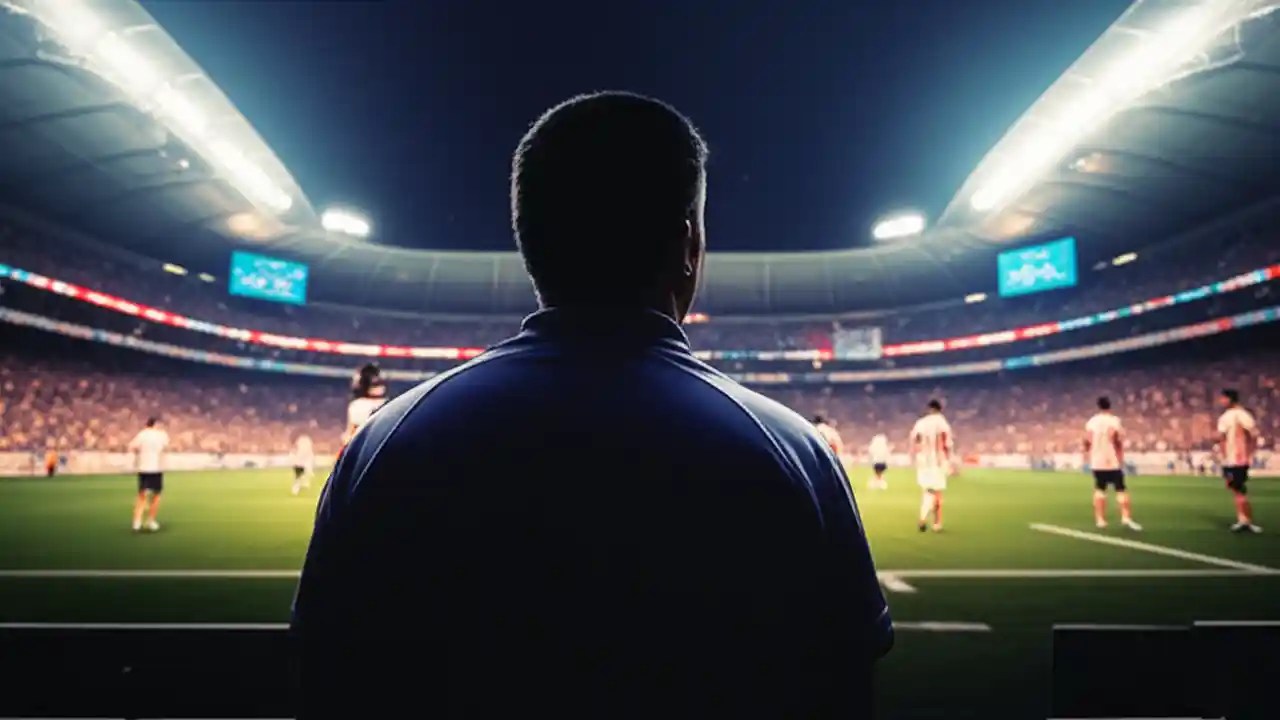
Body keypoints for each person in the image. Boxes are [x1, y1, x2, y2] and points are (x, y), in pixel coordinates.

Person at [293, 92, 892, 719]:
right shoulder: (794, 454)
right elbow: (843, 690)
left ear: (530, 242)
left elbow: (326, 680)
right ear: (689, 244)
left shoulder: (386, 444)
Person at [1083, 397, 1140, 531]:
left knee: (1100, 488)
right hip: (1111, 459)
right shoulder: (1114, 421)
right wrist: (1120, 457)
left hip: (1097, 460)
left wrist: (1088, 454)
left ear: (1098, 406)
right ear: (1110, 406)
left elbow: (1087, 440)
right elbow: (1116, 439)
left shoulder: (1092, 421)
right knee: (1120, 488)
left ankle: (1100, 519)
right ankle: (1125, 517)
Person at [1216, 388, 1261, 533]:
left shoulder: (1236, 415)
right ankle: (1243, 519)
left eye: (1223, 398)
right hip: (1234, 459)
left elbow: (1221, 437)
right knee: (1237, 489)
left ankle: (1246, 521)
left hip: (1236, 459)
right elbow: (1253, 434)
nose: (1221, 401)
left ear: (1230, 399)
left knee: (1239, 489)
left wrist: (1248, 452)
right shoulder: (1238, 415)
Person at [909, 399, 953, 532]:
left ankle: (923, 517)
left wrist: (915, 456)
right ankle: (936, 523)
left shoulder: (921, 423)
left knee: (928, 491)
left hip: (923, 461)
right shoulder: (942, 422)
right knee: (937, 492)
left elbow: (914, 440)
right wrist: (949, 461)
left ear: (929, 409)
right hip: (937, 461)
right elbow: (947, 443)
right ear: (940, 409)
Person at [127, 417, 168, 532]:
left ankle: (137, 522)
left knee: (141, 495)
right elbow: (165, 447)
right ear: (156, 425)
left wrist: (139, 454)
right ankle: (151, 521)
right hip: (156, 468)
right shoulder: (161, 435)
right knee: (156, 496)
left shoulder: (142, 434)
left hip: (143, 468)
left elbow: (131, 447)